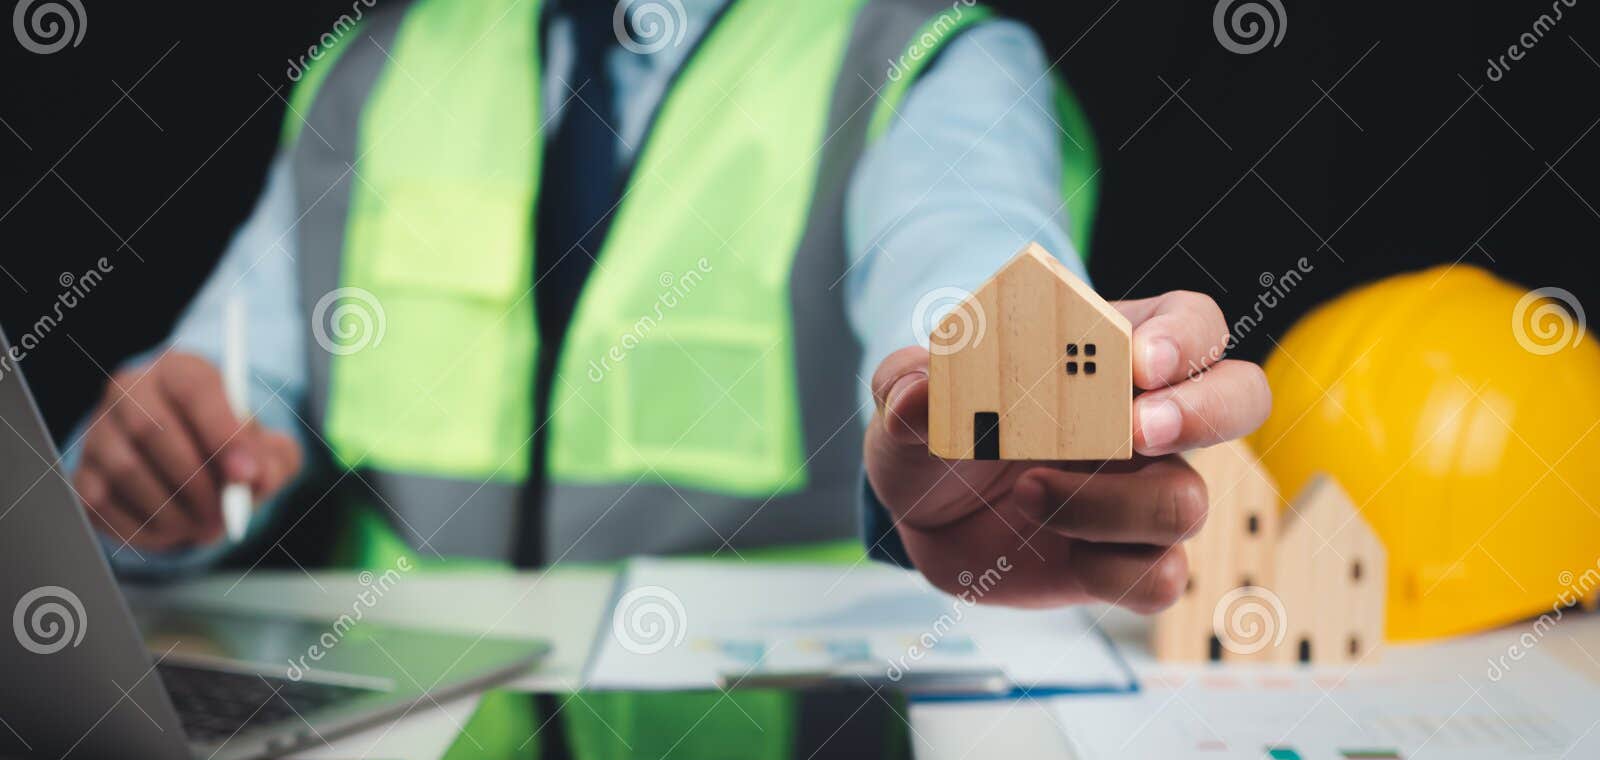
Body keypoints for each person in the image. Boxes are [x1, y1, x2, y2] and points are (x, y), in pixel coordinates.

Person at [68, 0, 1269, 615]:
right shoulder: (372, 67)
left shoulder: (919, 57)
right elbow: (211, 398)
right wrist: (134, 495)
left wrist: (986, 409)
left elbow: (960, 259)